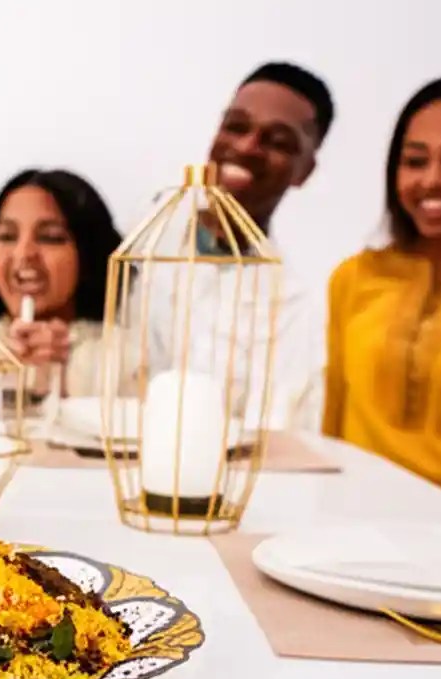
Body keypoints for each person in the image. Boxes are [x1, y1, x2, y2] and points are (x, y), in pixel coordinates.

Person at [324, 72, 441, 517]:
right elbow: (332, 430)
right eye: (415, 160)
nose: (432, 180)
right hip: (358, 536)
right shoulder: (357, 278)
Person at [145, 62, 335, 430]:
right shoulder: (134, 245)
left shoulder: (297, 311)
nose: (247, 147)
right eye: (236, 126)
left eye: (278, 141)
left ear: (304, 171)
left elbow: (282, 436)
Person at [0, 169, 124, 415]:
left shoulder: (127, 356)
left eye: (50, 238)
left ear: (88, 254)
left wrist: (64, 381)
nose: (23, 254)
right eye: (7, 236)